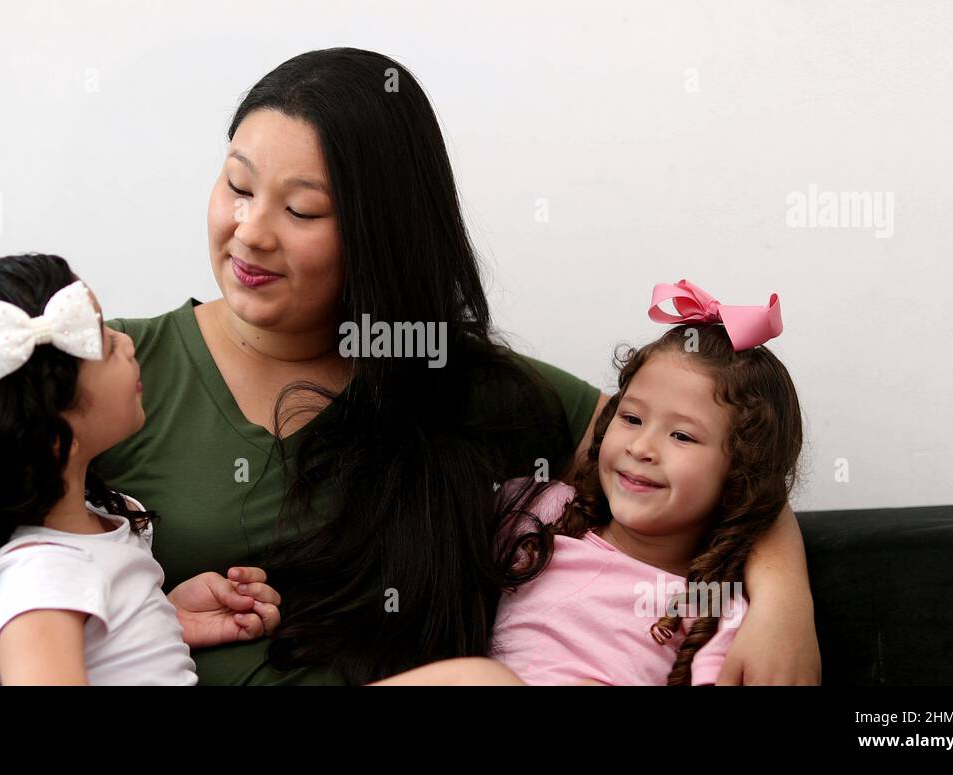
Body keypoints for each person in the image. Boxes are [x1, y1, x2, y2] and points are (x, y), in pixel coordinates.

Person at [89, 49, 821, 685]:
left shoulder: (446, 374)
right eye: (238, 187)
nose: (250, 233)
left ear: (380, 234)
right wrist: (148, 618)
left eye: (303, 210)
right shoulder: (112, 368)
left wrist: (785, 601)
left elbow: (706, 454)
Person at [0, 254, 280, 685]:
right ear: (53, 434)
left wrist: (164, 618)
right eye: (106, 345)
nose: (128, 343)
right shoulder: (41, 580)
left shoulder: (89, 531)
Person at [489, 280, 801, 685]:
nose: (641, 447)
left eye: (682, 436)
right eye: (631, 418)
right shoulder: (536, 510)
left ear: (740, 476)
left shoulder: (715, 608)